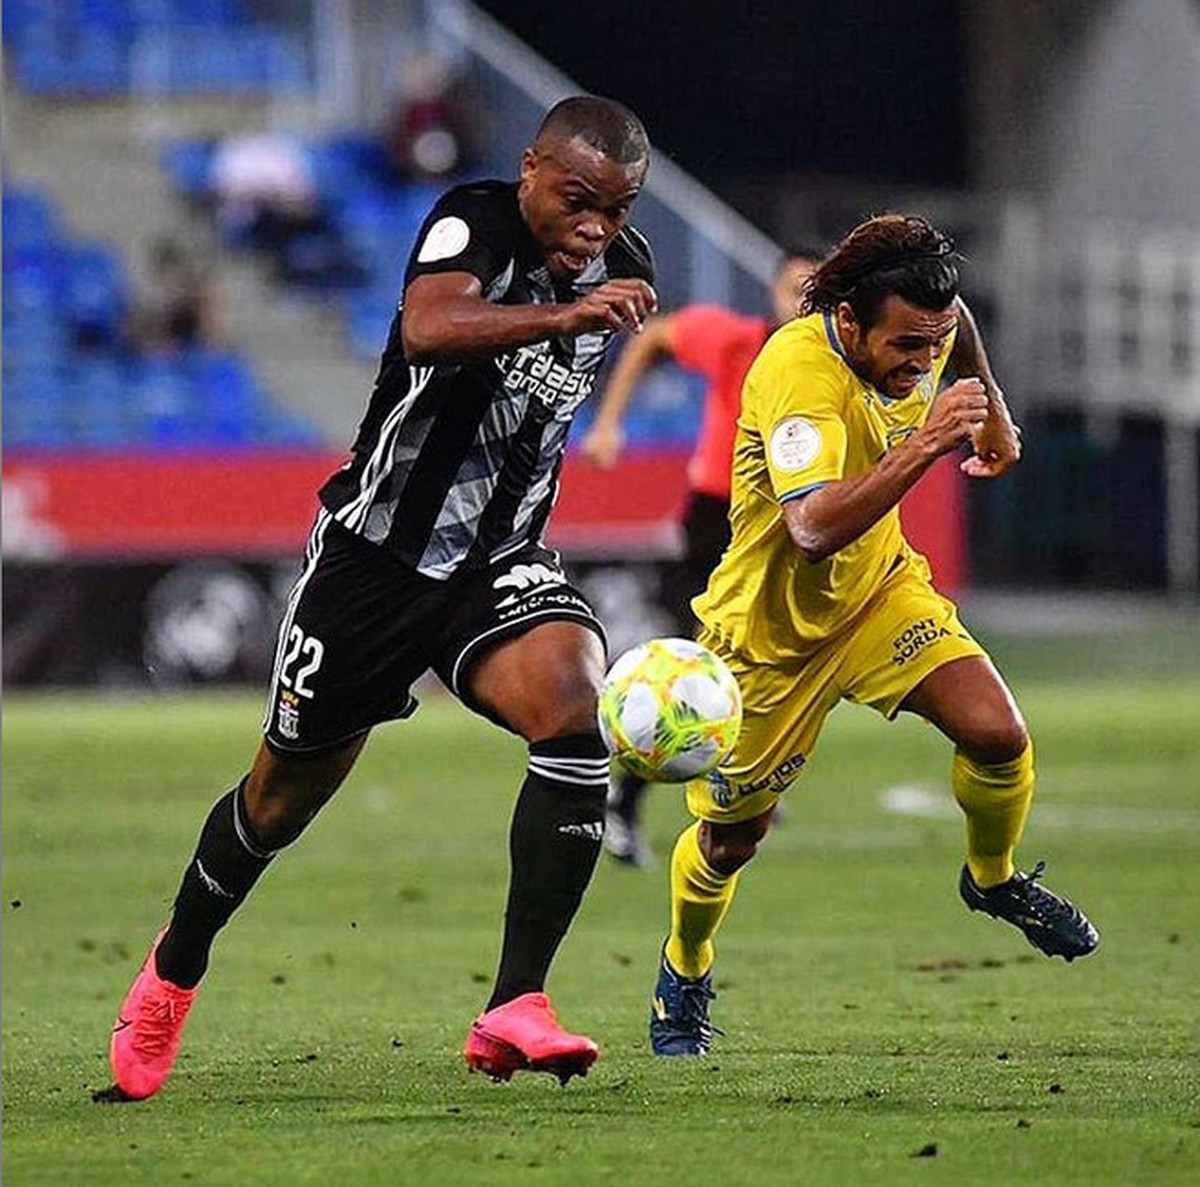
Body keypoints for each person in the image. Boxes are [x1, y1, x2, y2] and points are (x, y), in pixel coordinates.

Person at [104, 95, 657, 1101]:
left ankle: (515, 1005)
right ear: (531, 168)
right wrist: (560, 314)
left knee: (577, 709)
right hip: (373, 561)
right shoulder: (472, 223)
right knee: (278, 800)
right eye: (578, 201)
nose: (595, 230)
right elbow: (430, 326)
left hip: (497, 560)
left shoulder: (625, 273)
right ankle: (173, 968)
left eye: (616, 212)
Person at [647, 214, 1099, 1058]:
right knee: (733, 836)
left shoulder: (928, 326)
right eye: (906, 345)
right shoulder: (795, 371)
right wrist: (931, 440)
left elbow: (955, 324)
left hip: (879, 594)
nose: (923, 362)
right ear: (849, 322)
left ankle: (993, 879)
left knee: (997, 733)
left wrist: (992, 412)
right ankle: (686, 961)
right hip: (772, 635)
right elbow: (813, 526)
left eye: (932, 344)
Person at [579, 250, 820, 868]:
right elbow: (653, 338)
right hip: (718, 518)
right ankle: (623, 804)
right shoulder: (738, 341)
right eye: (795, 289)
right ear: (774, 293)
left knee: (764, 660)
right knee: (695, 665)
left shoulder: (831, 367)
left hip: (785, 522)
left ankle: (735, 775)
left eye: (815, 290)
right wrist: (608, 423)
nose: (803, 302)